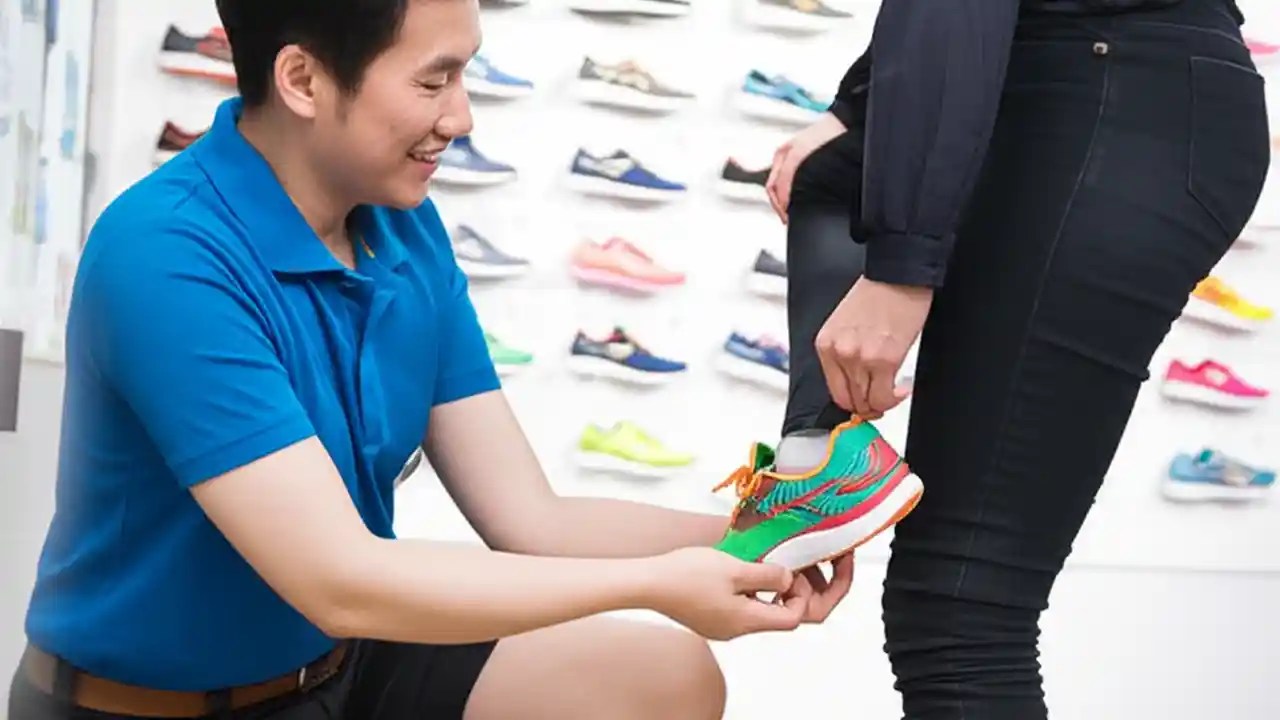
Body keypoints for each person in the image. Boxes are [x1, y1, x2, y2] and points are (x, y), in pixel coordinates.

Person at [7, 1, 862, 718]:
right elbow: (340, 578)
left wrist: (768, 535)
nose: (460, 117)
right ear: (302, 79)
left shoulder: (402, 227)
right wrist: (655, 582)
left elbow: (533, 521)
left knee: (664, 680)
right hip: (152, 702)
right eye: (433, 79)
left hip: (342, 665)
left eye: (465, 73)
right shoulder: (165, 254)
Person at [761, 0, 1269, 717]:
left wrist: (900, 267)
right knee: (828, 175)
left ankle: (817, 464)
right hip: (1071, 72)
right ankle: (816, 462)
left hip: (1114, 88)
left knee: (961, 604)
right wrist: (856, 109)